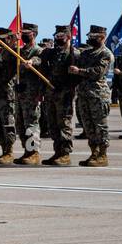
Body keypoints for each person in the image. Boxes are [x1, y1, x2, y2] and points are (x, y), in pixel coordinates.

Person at [68, 24, 113, 166]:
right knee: (88, 126)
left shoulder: (105, 54)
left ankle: (103, 155)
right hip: (83, 94)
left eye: (94, 37)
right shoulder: (86, 53)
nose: (91, 39)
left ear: (102, 37)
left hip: (98, 95)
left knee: (100, 126)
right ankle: (94, 153)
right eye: (90, 36)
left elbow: (97, 72)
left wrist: (78, 71)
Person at [39, 26, 76, 166]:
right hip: (51, 93)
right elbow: (42, 67)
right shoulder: (52, 53)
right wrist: (42, 91)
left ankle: (65, 154)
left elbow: (77, 77)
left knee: (64, 124)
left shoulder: (73, 53)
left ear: (68, 36)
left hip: (64, 94)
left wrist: (67, 88)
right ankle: (57, 152)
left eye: (61, 36)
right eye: (57, 36)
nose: (58, 38)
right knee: (53, 124)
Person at [13, 23, 47, 165]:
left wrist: (31, 62)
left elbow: (40, 60)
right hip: (21, 92)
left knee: (31, 123)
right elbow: (10, 56)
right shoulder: (20, 50)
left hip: (32, 93)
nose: (24, 35)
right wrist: (14, 41)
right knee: (20, 123)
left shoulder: (38, 50)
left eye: (26, 32)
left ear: (33, 34)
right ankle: (27, 151)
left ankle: (34, 153)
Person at [0, 28, 18, 164]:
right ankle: (3, 149)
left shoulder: (13, 53)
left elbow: (9, 72)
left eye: (3, 38)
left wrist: (14, 43)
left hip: (7, 93)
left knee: (7, 123)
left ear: (9, 39)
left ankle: (9, 151)